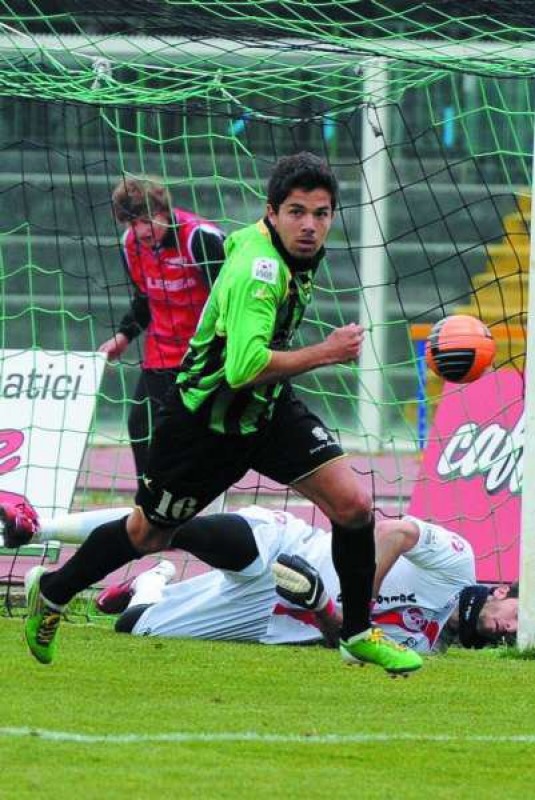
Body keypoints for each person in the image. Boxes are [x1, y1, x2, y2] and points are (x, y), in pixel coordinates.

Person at [22, 152, 423, 675]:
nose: (309, 225)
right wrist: (327, 351)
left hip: (266, 410)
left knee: (353, 505)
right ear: (272, 211)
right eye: (297, 212)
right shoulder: (259, 271)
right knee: (149, 535)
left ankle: (355, 633)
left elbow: (234, 255)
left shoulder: (273, 247)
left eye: (320, 214)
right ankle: (51, 592)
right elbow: (244, 366)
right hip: (204, 424)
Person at [2, 499, 514, 650]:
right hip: (284, 547)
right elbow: (394, 532)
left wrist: (324, 608)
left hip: (265, 620)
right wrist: (360, 602)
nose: (512, 629)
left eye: (514, 636)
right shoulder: (458, 564)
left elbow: (338, 642)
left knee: (132, 626)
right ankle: (35, 526)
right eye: (521, 616)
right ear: (505, 590)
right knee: (173, 526)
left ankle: (148, 583)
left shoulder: (422, 651)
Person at [99, 177, 225, 477]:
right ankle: (150, 504)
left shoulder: (199, 238)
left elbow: (229, 303)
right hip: (162, 352)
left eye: (146, 221)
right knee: (140, 425)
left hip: (205, 354)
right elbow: (144, 299)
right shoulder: (131, 245)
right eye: (132, 224)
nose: (141, 231)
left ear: (163, 212)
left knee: (198, 435)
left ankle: (199, 504)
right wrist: (124, 335)